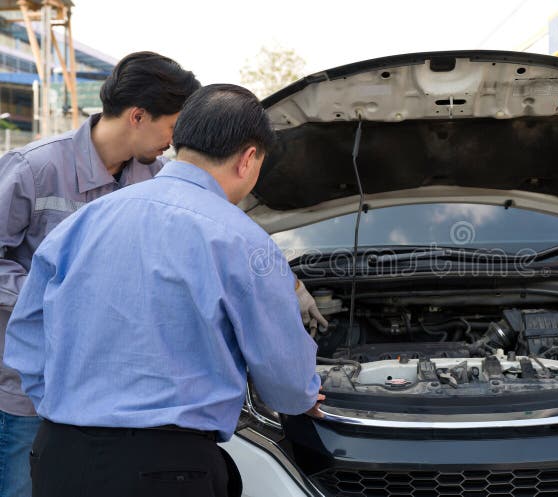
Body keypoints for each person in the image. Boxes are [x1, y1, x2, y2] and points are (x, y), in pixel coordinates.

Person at [3, 83, 323, 497]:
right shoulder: (243, 241)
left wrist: (73, 408)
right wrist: (306, 391)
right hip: (164, 469)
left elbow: (27, 334)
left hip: (58, 456)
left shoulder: (84, 221)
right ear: (248, 160)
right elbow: (287, 385)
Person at [0, 51, 200, 497]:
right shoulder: (35, 169)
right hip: (30, 388)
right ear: (137, 116)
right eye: (172, 126)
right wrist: (54, 298)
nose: (174, 140)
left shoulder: (157, 180)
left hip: (113, 397)